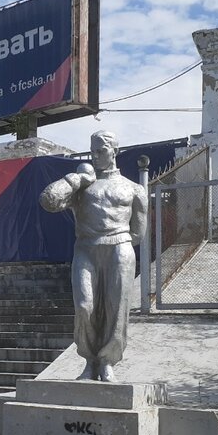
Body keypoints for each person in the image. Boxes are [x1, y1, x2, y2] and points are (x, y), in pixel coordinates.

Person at [39, 131, 147, 381]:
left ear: (115, 151)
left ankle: (108, 361)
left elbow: (139, 232)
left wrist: (118, 243)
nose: (96, 156)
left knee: (116, 307)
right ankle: (89, 360)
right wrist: (76, 179)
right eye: (93, 151)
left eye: (102, 151)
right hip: (86, 248)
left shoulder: (134, 189)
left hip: (119, 247)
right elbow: (48, 201)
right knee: (85, 306)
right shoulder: (83, 186)